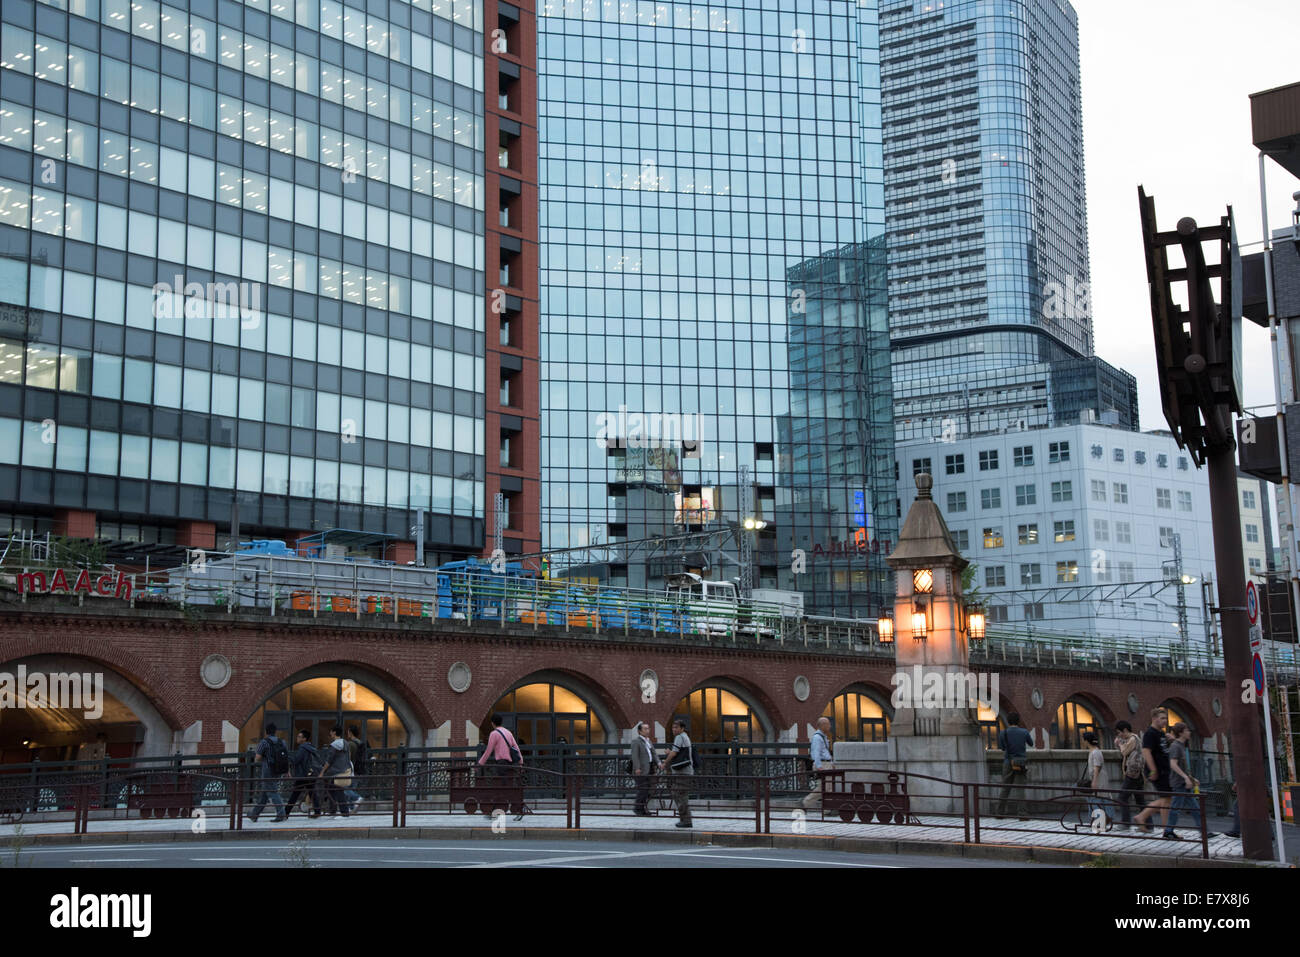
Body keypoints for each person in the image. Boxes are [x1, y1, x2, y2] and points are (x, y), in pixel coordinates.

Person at [1133, 707, 1174, 838]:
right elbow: (1146, 752)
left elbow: (1162, 750)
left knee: (1166, 799)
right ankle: (1166, 830)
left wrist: (1170, 740)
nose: (1165, 721)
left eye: (1166, 718)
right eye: (1162, 718)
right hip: (1158, 771)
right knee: (1166, 799)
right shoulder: (1150, 733)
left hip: (1165, 770)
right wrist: (1153, 770)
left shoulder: (1161, 733)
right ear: (1154, 719)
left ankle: (1142, 817)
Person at [478, 714, 524, 820]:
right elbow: (516, 748)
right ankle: (495, 811)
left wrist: (480, 764)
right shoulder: (508, 733)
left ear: (493, 723)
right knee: (505, 787)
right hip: (510, 764)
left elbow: (488, 751)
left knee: (502, 788)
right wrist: (521, 761)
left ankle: (517, 809)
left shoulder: (494, 734)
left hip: (501, 764)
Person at [1164, 722, 1205, 839]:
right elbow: (1173, 764)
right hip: (1179, 783)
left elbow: (1182, 766)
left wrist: (1191, 778)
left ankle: (1204, 831)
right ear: (1181, 733)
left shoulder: (1181, 746)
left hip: (1183, 783)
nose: (1189, 732)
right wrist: (1186, 777)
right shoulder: (1176, 746)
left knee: (1195, 808)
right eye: (1187, 730)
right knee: (1176, 808)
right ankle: (1168, 831)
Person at [995, 713, 1032, 819]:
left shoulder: (1003, 733)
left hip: (1008, 762)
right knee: (1020, 789)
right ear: (1018, 721)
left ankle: (1000, 813)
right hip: (1020, 762)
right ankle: (1022, 814)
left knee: (1005, 788)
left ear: (1008, 721)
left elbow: (1002, 748)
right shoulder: (1024, 732)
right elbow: (1031, 743)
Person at [248, 723, 288, 823]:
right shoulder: (282, 742)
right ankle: (254, 814)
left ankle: (281, 814)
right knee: (265, 793)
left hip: (268, 769)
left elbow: (257, 758)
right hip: (279, 770)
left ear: (266, 731)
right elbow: (286, 756)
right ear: (275, 731)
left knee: (272, 792)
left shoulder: (264, 742)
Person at [659, 719, 694, 828]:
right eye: (673, 728)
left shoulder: (679, 737)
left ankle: (686, 820)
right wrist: (671, 753)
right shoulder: (685, 737)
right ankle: (685, 819)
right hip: (685, 771)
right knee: (680, 793)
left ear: (682, 728)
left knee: (679, 794)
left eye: (676, 727)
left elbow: (674, 753)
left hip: (682, 771)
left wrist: (665, 762)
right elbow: (678, 752)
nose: (674, 730)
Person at [317, 725, 358, 816]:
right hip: (345, 769)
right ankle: (333, 810)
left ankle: (343, 812)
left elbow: (329, 761)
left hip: (336, 772)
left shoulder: (333, 745)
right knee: (333, 790)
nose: (330, 733)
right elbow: (349, 756)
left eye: (331, 731)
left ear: (334, 732)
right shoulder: (346, 743)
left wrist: (322, 772)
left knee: (338, 791)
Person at [1114, 720, 1146, 830]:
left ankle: (1125, 822)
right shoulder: (1134, 739)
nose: (1119, 735)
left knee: (1122, 797)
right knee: (1140, 799)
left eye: (1119, 732)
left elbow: (1124, 752)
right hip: (1138, 773)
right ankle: (1148, 824)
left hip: (1133, 773)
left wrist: (1120, 744)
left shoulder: (1133, 739)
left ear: (1125, 730)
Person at [285, 729, 323, 818]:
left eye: (299, 737)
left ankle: (285, 813)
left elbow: (296, 760)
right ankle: (317, 811)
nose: (297, 738)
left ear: (304, 739)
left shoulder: (303, 748)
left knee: (295, 794)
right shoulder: (310, 747)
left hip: (303, 775)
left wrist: (287, 757)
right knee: (312, 793)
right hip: (310, 773)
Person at [802, 717, 834, 811]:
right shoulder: (817, 737)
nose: (829, 726)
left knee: (827, 787)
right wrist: (819, 766)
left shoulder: (823, 737)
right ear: (822, 725)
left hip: (826, 764)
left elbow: (825, 752)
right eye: (828, 724)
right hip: (823, 764)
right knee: (824, 787)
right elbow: (816, 752)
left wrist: (831, 763)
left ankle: (828, 808)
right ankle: (805, 802)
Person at [1082, 731, 1111, 829]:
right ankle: (1097, 822)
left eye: (1084, 740)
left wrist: (1094, 781)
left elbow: (1097, 767)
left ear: (1087, 741)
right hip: (1098, 780)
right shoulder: (1094, 751)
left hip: (1098, 781)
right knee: (1094, 801)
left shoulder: (1095, 752)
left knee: (1096, 801)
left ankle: (1100, 823)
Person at [629, 722, 656, 817]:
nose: (647, 730)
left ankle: (643, 808)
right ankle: (638, 808)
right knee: (643, 790)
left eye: (648, 728)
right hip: (641, 769)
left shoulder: (648, 741)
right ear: (639, 731)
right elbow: (635, 756)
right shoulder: (636, 741)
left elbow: (653, 753)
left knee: (647, 790)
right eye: (645, 729)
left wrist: (659, 763)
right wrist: (637, 768)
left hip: (649, 768)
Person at [345, 725, 367, 814]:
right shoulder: (361, 743)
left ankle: (356, 798)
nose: (347, 734)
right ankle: (351, 808)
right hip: (360, 768)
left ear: (350, 732)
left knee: (345, 788)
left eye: (348, 732)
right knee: (352, 788)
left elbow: (348, 757)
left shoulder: (350, 744)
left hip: (352, 768)